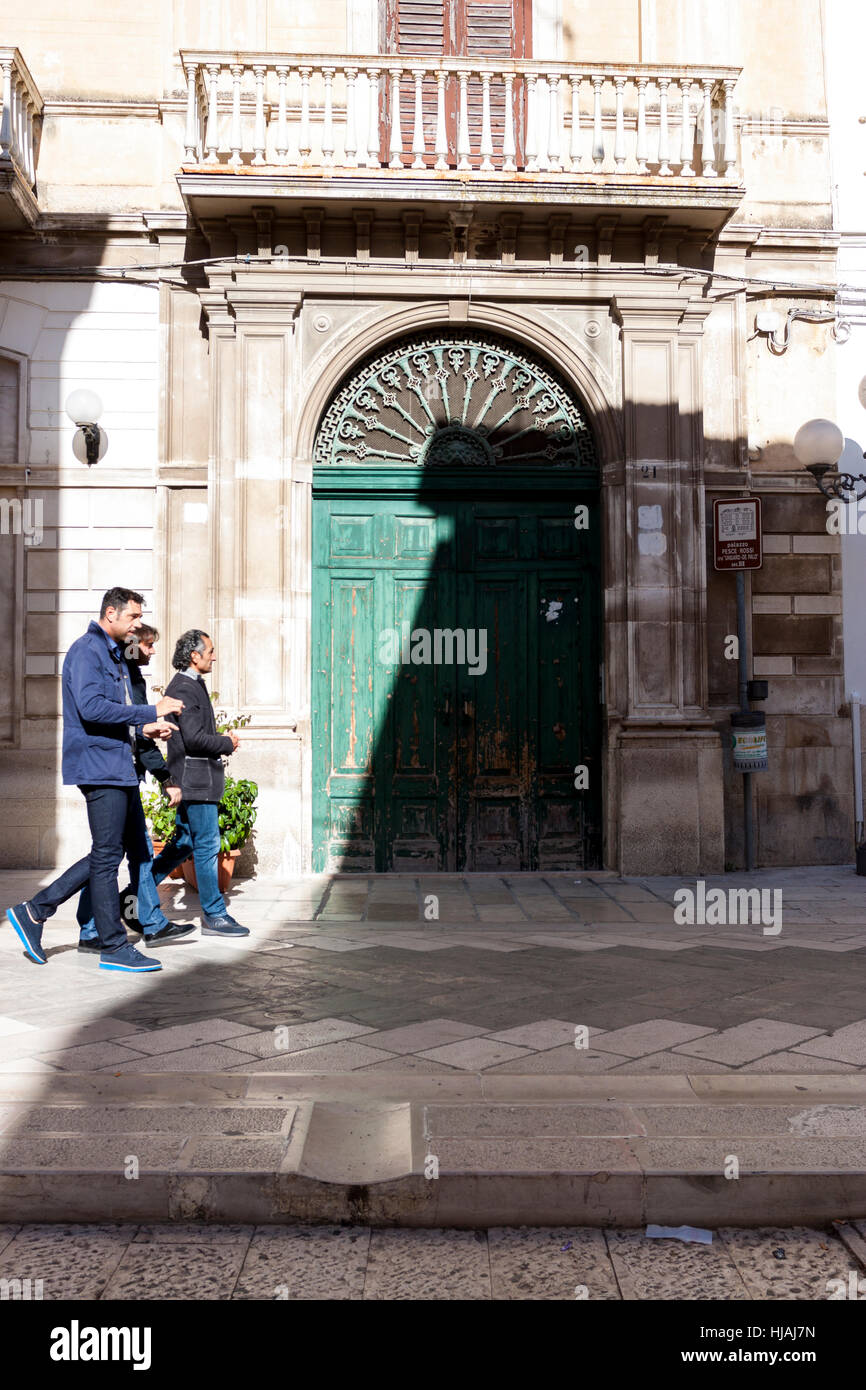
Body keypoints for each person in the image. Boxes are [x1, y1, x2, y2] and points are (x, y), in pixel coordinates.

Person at [5, 587, 183, 973]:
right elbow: (90, 707)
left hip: (118, 766)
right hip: (100, 767)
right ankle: (110, 944)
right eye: (133, 617)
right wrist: (150, 710)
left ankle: (42, 913)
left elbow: (113, 711)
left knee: (113, 852)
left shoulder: (113, 653)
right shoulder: (87, 650)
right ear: (110, 614)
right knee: (106, 855)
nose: (138, 625)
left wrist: (145, 730)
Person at [77, 623, 196, 950]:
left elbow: (139, 734)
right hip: (111, 777)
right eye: (148, 645)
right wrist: (166, 778)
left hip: (124, 778)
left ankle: (106, 927)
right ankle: (106, 927)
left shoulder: (132, 679)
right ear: (132, 646)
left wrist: (150, 731)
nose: (153, 650)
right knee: (114, 856)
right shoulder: (121, 679)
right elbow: (132, 733)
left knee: (121, 856)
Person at [150, 629, 249, 938]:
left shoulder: (190, 685)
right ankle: (214, 915)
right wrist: (226, 742)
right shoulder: (184, 687)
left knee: (183, 844)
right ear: (194, 655)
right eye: (210, 651)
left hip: (194, 779)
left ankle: (134, 890)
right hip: (196, 781)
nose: (214, 656)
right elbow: (192, 739)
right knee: (206, 845)